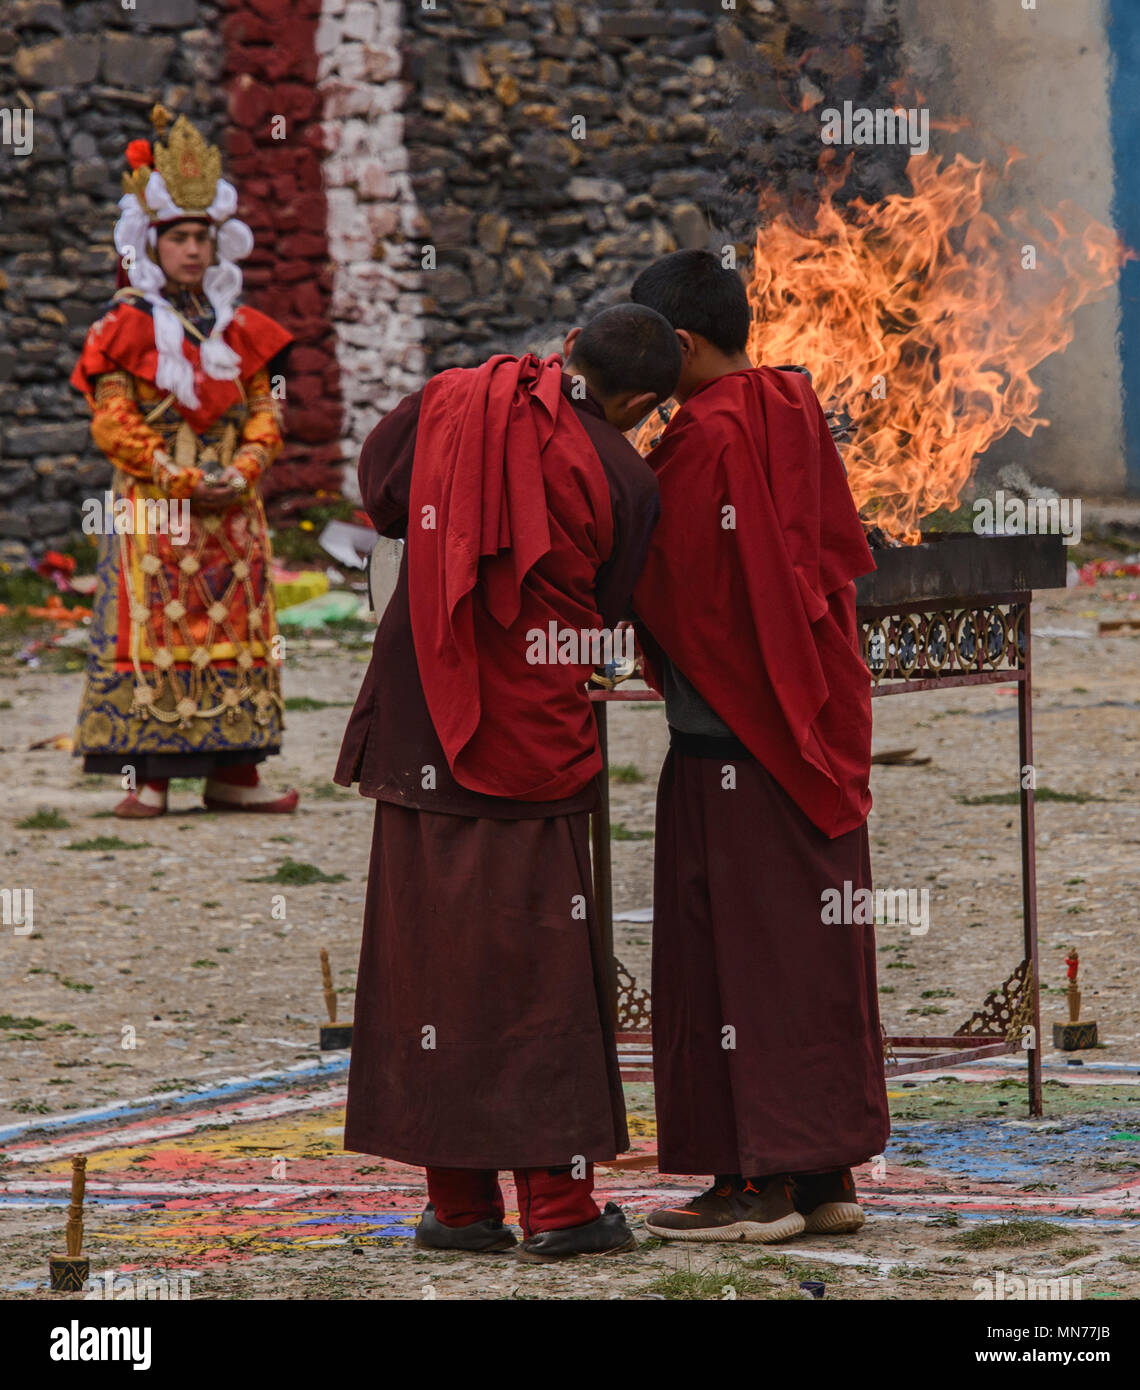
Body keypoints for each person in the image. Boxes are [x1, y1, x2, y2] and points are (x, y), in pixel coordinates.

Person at [334, 306, 680, 1261]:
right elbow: (609, 611)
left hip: (419, 720)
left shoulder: (452, 400)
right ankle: (561, 1211)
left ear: (568, 349)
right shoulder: (625, 473)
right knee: (539, 972)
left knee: (432, 965)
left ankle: (459, 1206)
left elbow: (383, 495)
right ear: (643, 402)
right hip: (527, 736)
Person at [628, 249, 890, 1243]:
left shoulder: (707, 438)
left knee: (734, 956)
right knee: (807, 953)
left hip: (731, 746)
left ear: (683, 346)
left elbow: (674, 584)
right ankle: (824, 1175)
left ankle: (756, 1184)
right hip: (810, 728)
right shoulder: (788, 408)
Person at [70, 106, 298, 818]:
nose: (194, 251)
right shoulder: (124, 326)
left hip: (233, 508)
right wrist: (175, 477)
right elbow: (112, 420)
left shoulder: (236, 325)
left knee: (239, 629)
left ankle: (235, 770)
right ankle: (154, 778)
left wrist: (252, 460)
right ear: (153, 244)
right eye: (180, 238)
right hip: (157, 507)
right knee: (157, 634)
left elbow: (266, 402)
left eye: (203, 237)